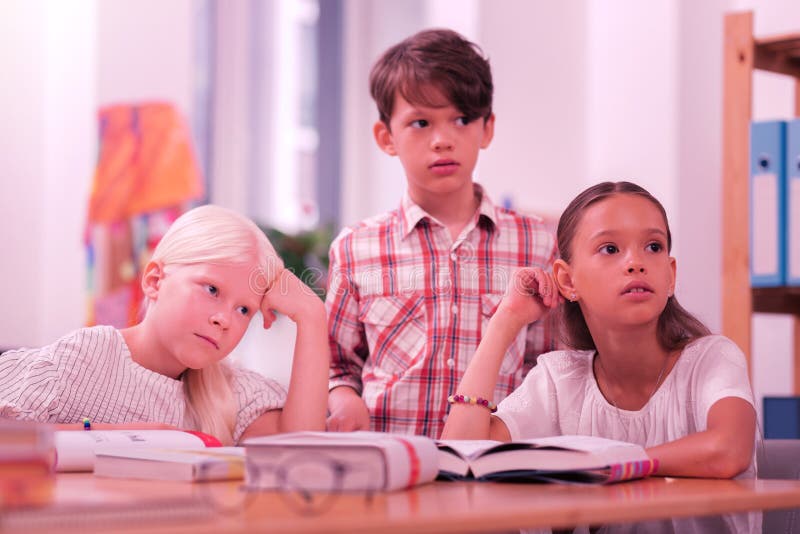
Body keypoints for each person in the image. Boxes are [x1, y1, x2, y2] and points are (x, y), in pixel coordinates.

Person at [325, 28, 558, 437]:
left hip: (497, 468)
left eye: (462, 119)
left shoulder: (537, 243)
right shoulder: (355, 247)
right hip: (390, 466)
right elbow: (336, 362)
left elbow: (550, 365)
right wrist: (344, 396)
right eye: (420, 122)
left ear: (486, 129)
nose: (443, 140)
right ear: (386, 137)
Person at [441, 181, 757, 480]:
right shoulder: (559, 382)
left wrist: (611, 463)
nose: (636, 262)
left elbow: (729, 450)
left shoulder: (713, 358)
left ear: (670, 276)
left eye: (653, 246)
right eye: (609, 249)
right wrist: (505, 320)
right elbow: (461, 457)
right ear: (567, 281)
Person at [0, 205, 329, 444]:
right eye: (212, 289)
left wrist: (312, 318)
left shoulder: (231, 391)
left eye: (244, 309)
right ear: (155, 280)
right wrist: (128, 439)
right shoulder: (90, 356)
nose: (224, 319)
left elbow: (299, 452)